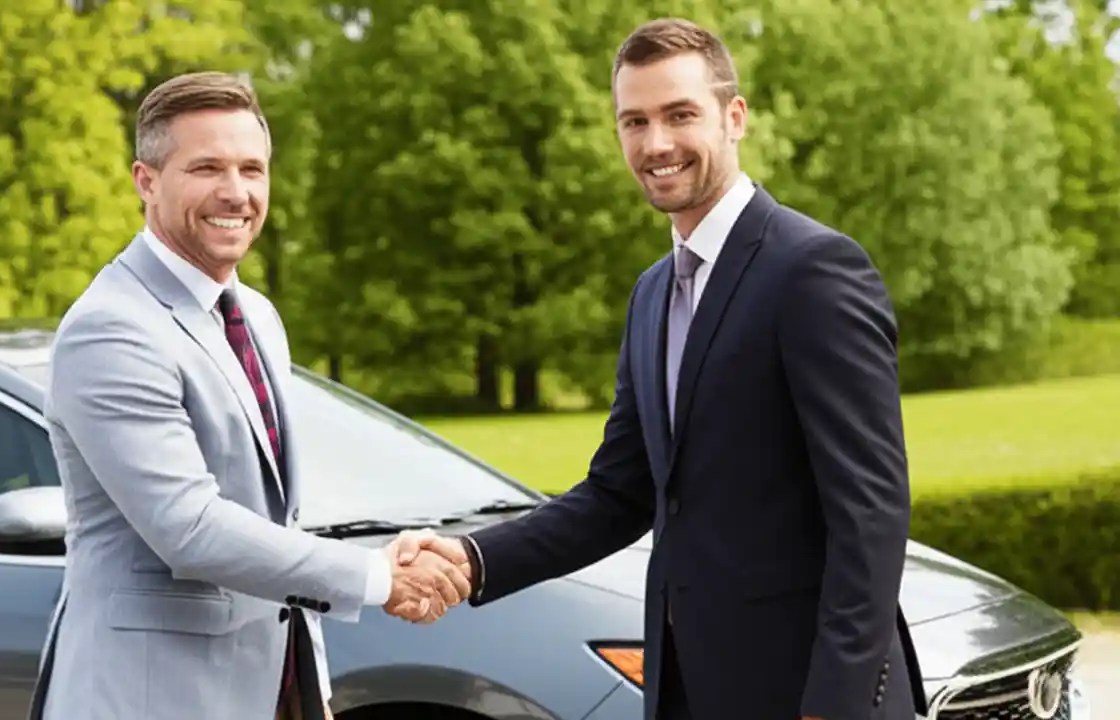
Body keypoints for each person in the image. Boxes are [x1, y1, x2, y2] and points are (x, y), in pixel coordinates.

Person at [396, 18, 924, 720]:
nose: (657, 144)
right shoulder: (652, 293)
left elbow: (871, 509)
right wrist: (471, 560)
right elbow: (619, 493)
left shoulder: (814, 270)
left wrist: (835, 702)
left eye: (680, 115)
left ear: (734, 118)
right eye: (634, 121)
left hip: (805, 695)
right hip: (686, 689)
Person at [28, 71, 470, 720]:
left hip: (268, 682)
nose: (235, 192)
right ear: (145, 181)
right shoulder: (111, 328)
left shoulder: (255, 313)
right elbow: (190, 527)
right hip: (149, 697)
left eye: (252, 169)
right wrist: (377, 577)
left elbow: (269, 516)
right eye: (206, 167)